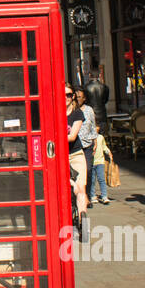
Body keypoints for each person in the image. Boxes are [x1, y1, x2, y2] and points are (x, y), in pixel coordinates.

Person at [66, 84, 88, 225]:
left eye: (69, 95)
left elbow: (72, 136)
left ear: (73, 96)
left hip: (75, 154)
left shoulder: (77, 113)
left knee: (80, 188)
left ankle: (82, 219)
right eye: (63, 95)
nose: (66, 98)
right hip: (56, 156)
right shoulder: (53, 111)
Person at [73, 87, 98, 204]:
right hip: (75, 145)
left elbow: (93, 126)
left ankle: (87, 194)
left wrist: (95, 141)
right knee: (76, 173)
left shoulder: (89, 110)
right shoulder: (71, 110)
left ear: (84, 98)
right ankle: (80, 195)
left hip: (87, 145)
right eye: (76, 97)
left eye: (80, 97)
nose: (77, 99)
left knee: (88, 170)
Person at [84, 62, 110, 131]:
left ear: (90, 75)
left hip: (90, 115)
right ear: (99, 75)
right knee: (102, 137)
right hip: (102, 115)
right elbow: (106, 100)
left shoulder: (85, 87)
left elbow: (85, 101)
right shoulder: (104, 87)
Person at [91, 129, 114, 204]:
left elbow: (104, 147)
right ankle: (92, 195)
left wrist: (109, 152)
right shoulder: (89, 138)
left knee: (101, 180)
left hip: (100, 162)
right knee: (92, 180)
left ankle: (104, 196)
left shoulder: (100, 137)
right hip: (91, 162)